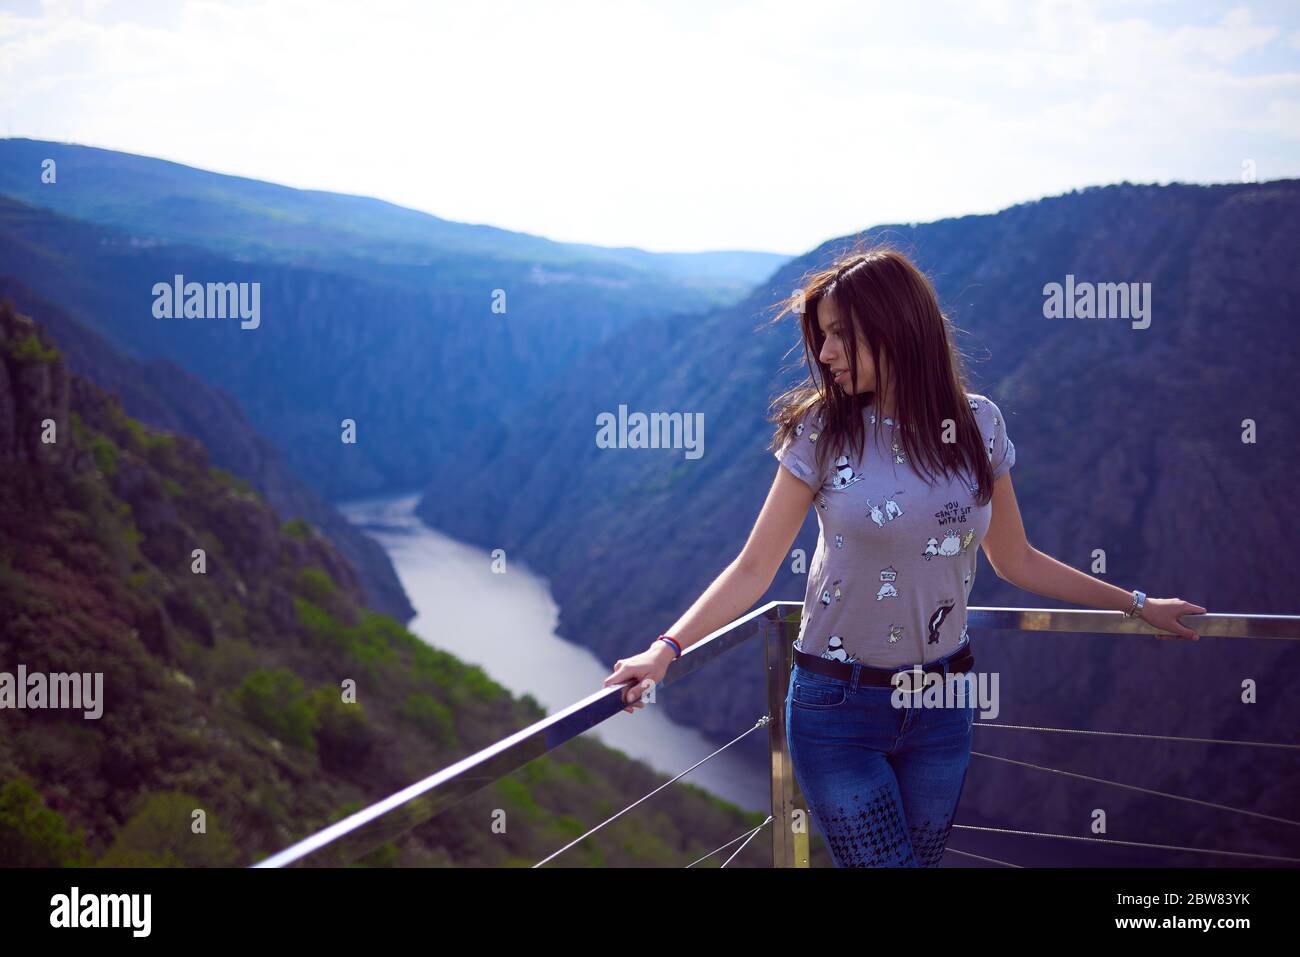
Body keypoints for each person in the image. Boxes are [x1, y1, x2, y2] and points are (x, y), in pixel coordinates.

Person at [602, 244, 1206, 867]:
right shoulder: (820, 432)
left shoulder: (980, 426)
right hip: (837, 710)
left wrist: (1138, 605)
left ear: (896, 327)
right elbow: (754, 567)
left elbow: (1017, 559)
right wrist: (664, 651)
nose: (824, 353)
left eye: (839, 334)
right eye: (821, 336)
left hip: (944, 706)